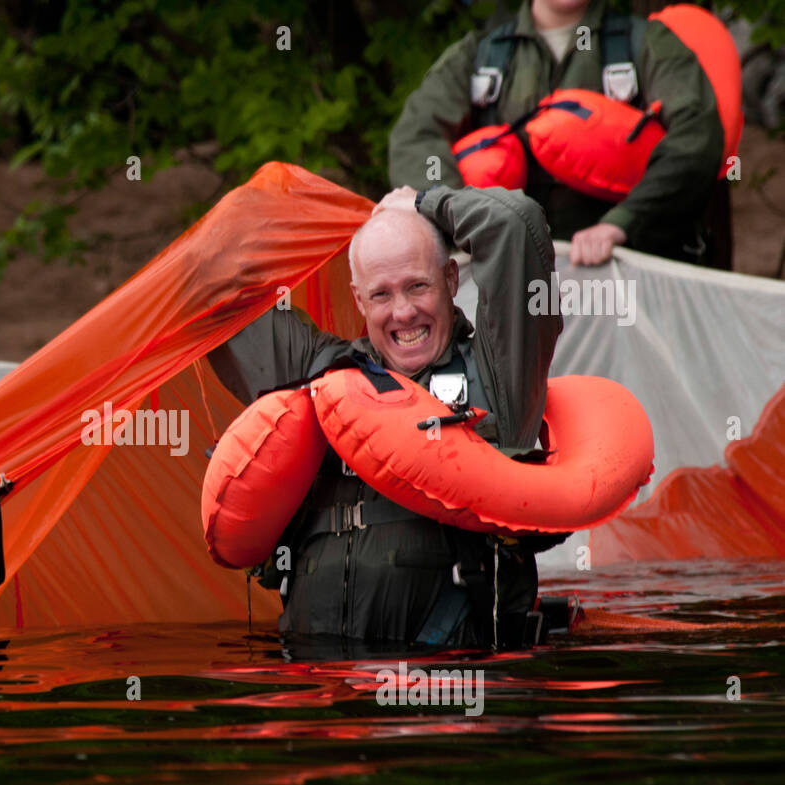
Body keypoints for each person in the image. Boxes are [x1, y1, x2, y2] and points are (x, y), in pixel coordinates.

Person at [208, 184, 560, 649]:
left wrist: (421, 204)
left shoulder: (500, 373)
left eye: (418, 286)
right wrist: (316, 208)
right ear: (358, 300)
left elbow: (518, 225)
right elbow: (214, 274)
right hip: (321, 691)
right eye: (381, 294)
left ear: (452, 280)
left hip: (453, 686)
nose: (403, 312)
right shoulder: (320, 370)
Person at [389, 0, 728, 268]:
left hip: (625, 276)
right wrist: (460, 216)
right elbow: (416, 137)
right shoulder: (479, 55)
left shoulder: (647, 43)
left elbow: (697, 137)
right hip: (508, 283)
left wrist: (623, 223)